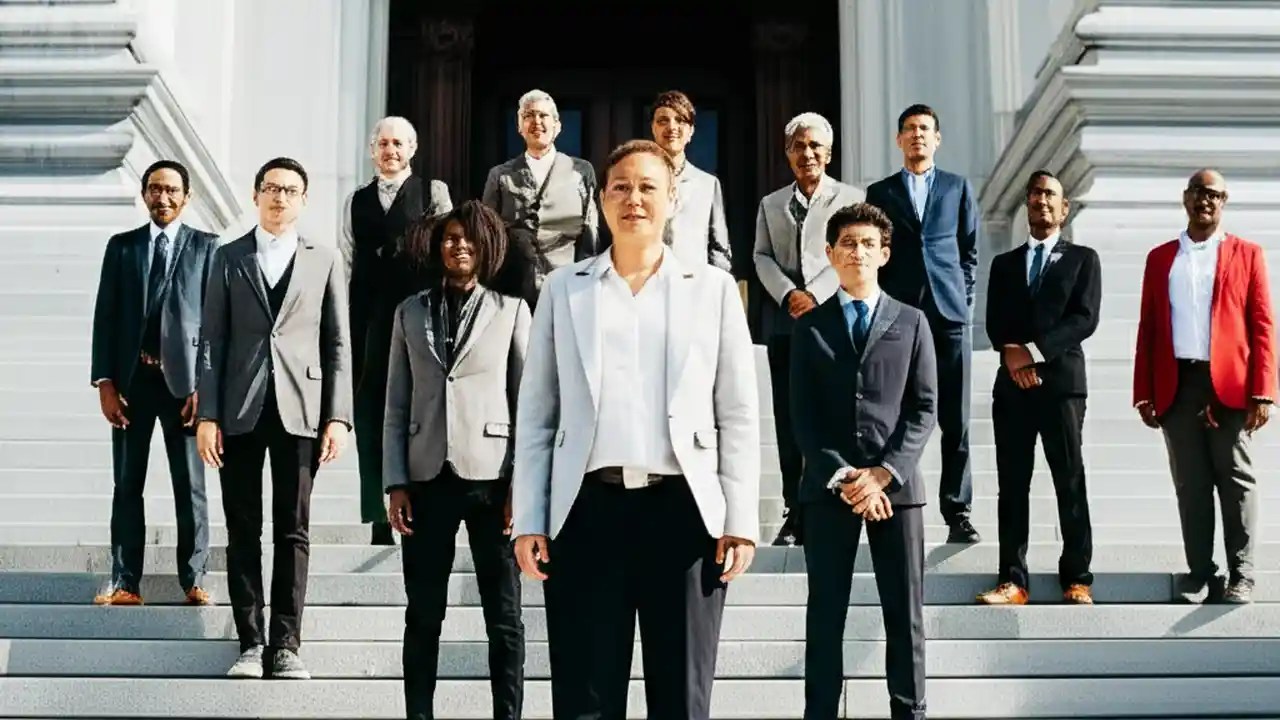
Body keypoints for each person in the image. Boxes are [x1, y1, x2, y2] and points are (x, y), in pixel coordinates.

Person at [512, 139, 760, 719]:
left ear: (673, 199)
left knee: (681, 697)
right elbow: (537, 415)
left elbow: (739, 414)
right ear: (602, 201)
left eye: (649, 187)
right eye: (620, 187)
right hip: (586, 512)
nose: (634, 199)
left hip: (684, 513)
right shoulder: (564, 288)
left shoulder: (715, 290)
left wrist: (740, 521)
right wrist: (530, 517)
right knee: (585, 698)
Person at [196, 157, 353, 679]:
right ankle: (249, 641)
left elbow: (337, 342)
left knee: (293, 530)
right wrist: (207, 414)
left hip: (301, 410)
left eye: (290, 190)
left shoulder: (325, 259)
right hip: (239, 410)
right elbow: (211, 341)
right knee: (243, 529)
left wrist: (338, 417)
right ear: (255, 195)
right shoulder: (227, 257)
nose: (279, 198)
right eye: (271, 189)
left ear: (303, 200)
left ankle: (286, 644)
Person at [384, 200, 532, 720]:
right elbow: (396, 402)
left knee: (505, 617)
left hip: (493, 480)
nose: (459, 245)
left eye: (469, 237)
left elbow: (528, 403)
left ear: (486, 246)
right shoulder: (409, 312)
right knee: (423, 613)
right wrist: (394, 481)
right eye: (449, 237)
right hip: (426, 479)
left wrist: (522, 483)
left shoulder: (512, 310)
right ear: (437, 246)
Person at [790, 202, 934, 720]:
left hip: (898, 492)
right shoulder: (809, 329)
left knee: (905, 613)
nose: (857, 252)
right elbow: (801, 419)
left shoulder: (913, 322)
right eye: (847, 243)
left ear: (885, 253)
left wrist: (882, 475)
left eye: (868, 243)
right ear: (829, 253)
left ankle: (910, 711)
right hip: (830, 490)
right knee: (825, 614)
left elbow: (924, 408)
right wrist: (847, 476)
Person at [1133, 168, 1275, 604]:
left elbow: (1263, 324)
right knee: (1190, 485)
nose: (1204, 201)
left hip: (1230, 383)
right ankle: (1200, 572)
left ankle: (1242, 573)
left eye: (1213, 194)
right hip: (1178, 384)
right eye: (1197, 192)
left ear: (1224, 201)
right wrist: (1144, 390)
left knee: (1235, 480)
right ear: (1185, 198)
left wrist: (1263, 390)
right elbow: (1149, 327)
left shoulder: (1247, 254)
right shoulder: (1161, 258)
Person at [89, 160, 218, 606]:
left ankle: (195, 578)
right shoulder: (122, 248)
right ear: (144, 194)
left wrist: (206, 386)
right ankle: (126, 581)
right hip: (131, 385)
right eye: (154, 189)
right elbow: (105, 317)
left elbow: (214, 326)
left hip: (184, 389)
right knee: (127, 484)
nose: (163, 198)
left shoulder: (207, 248)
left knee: (191, 485)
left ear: (187, 197)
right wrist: (105, 382)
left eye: (172, 190)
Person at [977, 171, 1100, 606]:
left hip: (1061, 386)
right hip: (1012, 389)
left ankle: (1077, 577)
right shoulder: (1004, 264)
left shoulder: (1083, 259)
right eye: (1034, 194)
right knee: (1012, 484)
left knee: (1069, 479)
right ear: (1026, 205)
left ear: (1064, 207)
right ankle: (1013, 579)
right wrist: (1014, 358)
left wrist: (1032, 352)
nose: (1041, 201)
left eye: (1049, 194)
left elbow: (1084, 319)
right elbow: (994, 323)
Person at [866, 103, 981, 544]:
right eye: (910, 129)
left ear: (937, 139)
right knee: (895, 411)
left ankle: (959, 510)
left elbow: (968, 251)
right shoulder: (881, 192)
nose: (917, 135)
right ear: (899, 139)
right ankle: (893, 495)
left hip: (949, 313)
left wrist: (963, 300)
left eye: (925, 129)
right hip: (900, 315)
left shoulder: (957, 187)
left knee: (956, 416)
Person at [752, 111, 864, 546]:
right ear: (787, 153)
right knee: (790, 419)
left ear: (829, 152)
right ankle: (793, 512)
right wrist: (788, 295)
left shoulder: (852, 199)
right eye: (799, 146)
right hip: (787, 325)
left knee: (835, 415)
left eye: (815, 146)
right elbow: (761, 257)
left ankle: (835, 504)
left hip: (834, 321)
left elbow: (854, 250)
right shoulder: (771, 204)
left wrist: (814, 293)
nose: (807, 153)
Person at [340, 116, 453, 546]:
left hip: (420, 313)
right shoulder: (354, 200)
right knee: (371, 412)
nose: (391, 151)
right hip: (370, 317)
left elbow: (446, 252)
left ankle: (422, 501)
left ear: (413, 148)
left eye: (399, 143)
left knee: (421, 407)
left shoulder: (433, 193)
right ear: (373, 150)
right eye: (383, 143)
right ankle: (377, 513)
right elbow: (349, 260)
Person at [482, 89, 599, 289]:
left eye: (543, 115)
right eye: (528, 116)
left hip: (567, 282)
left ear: (557, 126)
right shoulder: (500, 175)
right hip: (515, 286)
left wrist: (585, 278)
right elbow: (488, 233)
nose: (536, 121)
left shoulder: (580, 171)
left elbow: (591, 232)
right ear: (520, 127)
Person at [649, 90, 732, 272]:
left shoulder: (708, 185)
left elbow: (719, 249)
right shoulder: (639, 181)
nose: (672, 127)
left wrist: (717, 291)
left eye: (680, 120)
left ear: (691, 131)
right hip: (645, 287)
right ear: (653, 128)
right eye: (663, 120)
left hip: (693, 289)